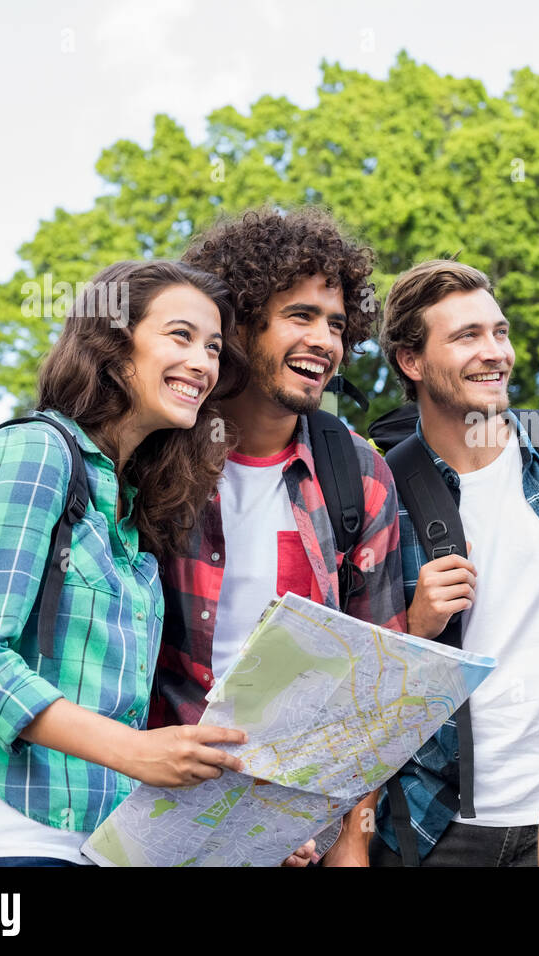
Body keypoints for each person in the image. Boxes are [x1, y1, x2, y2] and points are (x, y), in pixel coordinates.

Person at [0, 260, 253, 867]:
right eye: (180, 336)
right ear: (111, 342)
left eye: (213, 348)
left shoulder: (129, 509)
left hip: (102, 847)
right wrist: (133, 750)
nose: (204, 364)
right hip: (5, 839)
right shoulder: (33, 452)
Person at [152, 207, 406, 867]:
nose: (325, 340)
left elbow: (374, 687)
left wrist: (351, 841)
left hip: (297, 827)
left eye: (338, 324)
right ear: (238, 321)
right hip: (151, 809)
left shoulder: (358, 474)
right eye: (300, 316)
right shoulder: (153, 458)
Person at [368, 260, 539, 866]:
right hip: (439, 825)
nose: (494, 352)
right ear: (412, 361)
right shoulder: (378, 485)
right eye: (466, 336)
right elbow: (346, 676)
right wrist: (415, 627)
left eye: (498, 332)